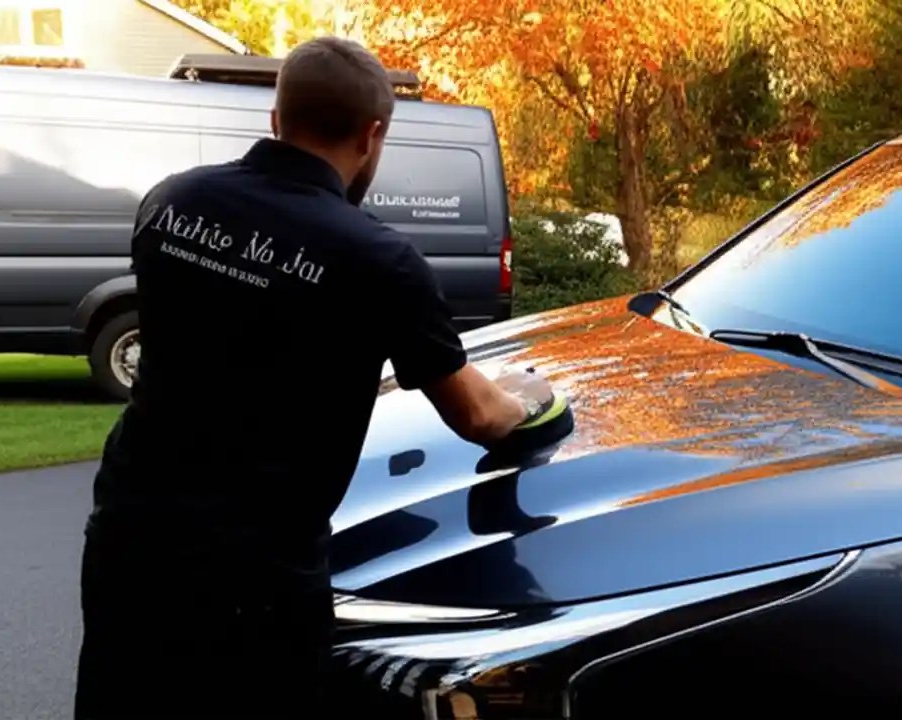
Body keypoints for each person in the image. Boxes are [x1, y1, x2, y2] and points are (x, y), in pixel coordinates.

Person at [73, 37, 554, 720]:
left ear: (277, 118)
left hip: (130, 537)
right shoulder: (380, 261)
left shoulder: (172, 202)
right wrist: (533, 401)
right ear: (372, 135)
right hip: (258, 575)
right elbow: (478, 415)